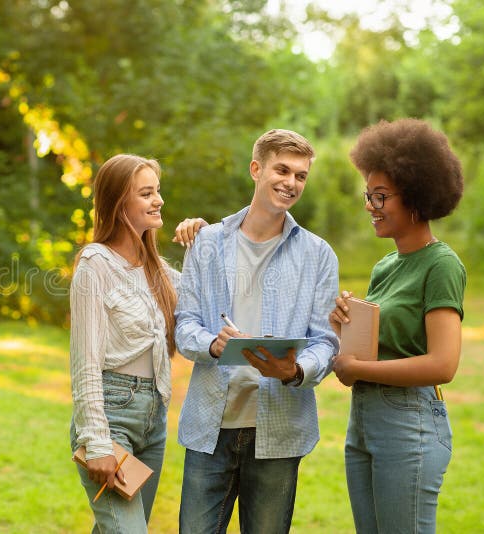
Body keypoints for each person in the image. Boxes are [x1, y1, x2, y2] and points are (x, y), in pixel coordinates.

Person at [173, 129, 339, 533]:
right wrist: (212, 344)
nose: (291, 183)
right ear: (256, 169)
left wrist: (296, 371)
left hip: (279, 430)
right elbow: (184, 325)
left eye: (301, 176)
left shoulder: (318, 255)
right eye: (282, 170)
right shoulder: (207, 242)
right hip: (210, 428)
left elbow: (325, 342)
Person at [328, 118, 466, 533]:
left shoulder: (441, 265)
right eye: (367, 195)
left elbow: (443, 365)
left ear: (418, 195)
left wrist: (358, 369)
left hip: (409, 425)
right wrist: (344, 326)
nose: (370, 206)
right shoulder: (385, 266)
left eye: (381, 196)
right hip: (365, 419)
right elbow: (366, 358)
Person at [69, 154, 179, 533]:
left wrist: (202, 237)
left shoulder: (158, 270)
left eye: (157, 191)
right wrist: (97, 441)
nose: (158, 200)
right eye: (146, 193)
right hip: (112, 418)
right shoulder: (95, 264)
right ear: (119, 204)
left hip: (154, 420)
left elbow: (212, 297)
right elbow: (85, 361)